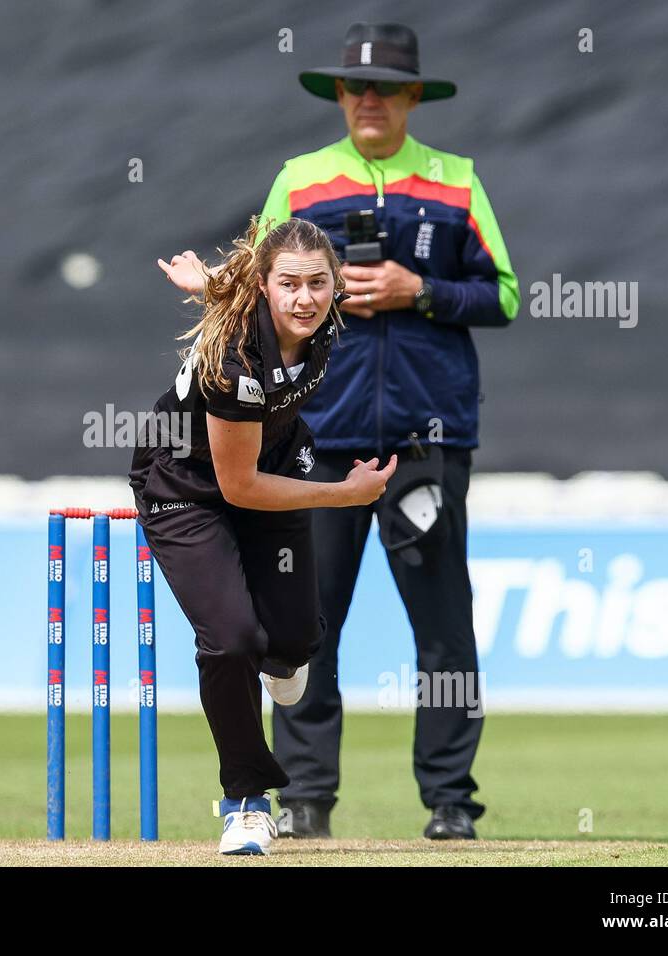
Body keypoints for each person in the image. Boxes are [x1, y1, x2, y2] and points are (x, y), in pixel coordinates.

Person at [158, 22, 519, 840]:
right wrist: (210, 285)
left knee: (443, 626)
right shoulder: (302, 178)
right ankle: (307, 800)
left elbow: (505, 295)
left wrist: (417, 288)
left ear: (413, 97)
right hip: (315, 437)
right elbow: (257, 280)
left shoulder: (456, 181)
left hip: (427, 440)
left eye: (385, 87)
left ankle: (451, 803)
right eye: (354, 87)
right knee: (305, 623)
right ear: (340, 97)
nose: (367, 100)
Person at [130, 217, 396, 856]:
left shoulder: (322, 317)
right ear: (265, 285)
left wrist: (208, 283)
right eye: (290, 285)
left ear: (334, 283)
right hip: (186, 487)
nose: (305, 299)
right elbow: (239, 489)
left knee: (296, 641)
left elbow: (247, 287)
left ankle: (281, 654)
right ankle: (246, 802)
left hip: (271, 463)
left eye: (318, 283)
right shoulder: (236, 364)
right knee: (232, 642)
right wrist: (343, 495)